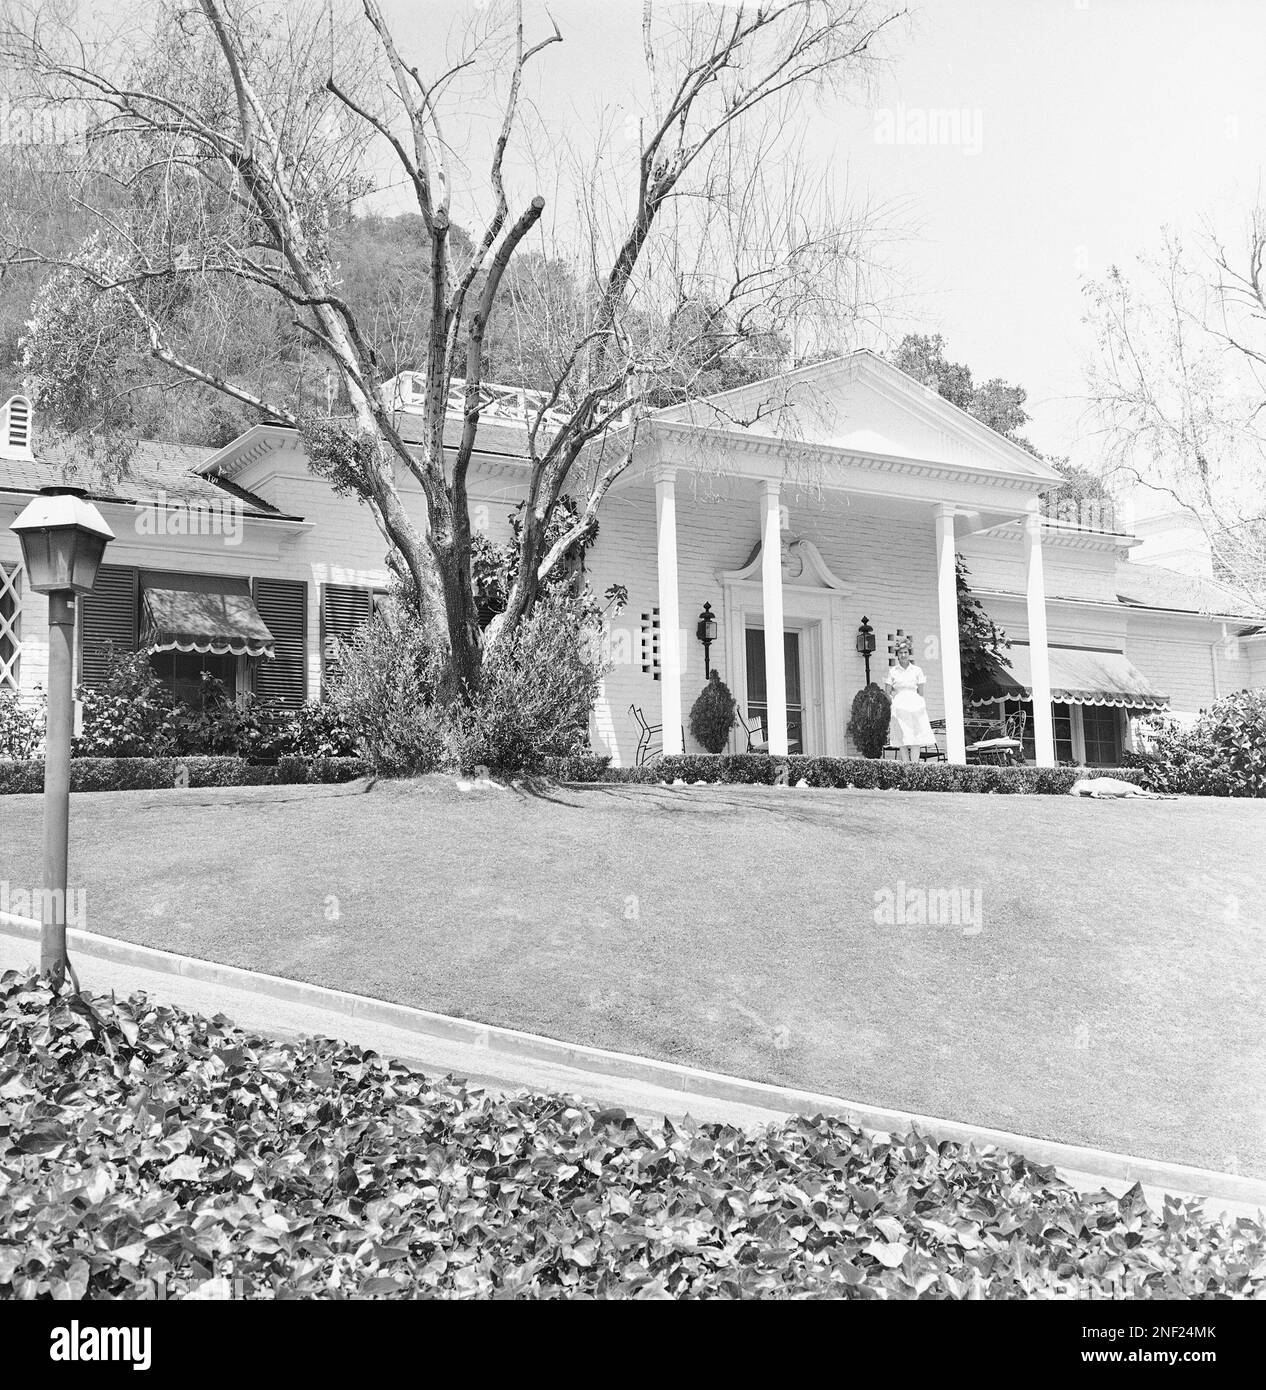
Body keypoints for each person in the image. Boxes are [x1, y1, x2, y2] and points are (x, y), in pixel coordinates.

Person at [884, 638, 934, 762]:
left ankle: (915, 765)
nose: (903, 655)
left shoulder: (917, 670)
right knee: (902, 737)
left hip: (914, 706)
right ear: (897, 655)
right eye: (900, 653)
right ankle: (906, 764)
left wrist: (920, 705)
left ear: (909, 653)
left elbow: (921, 692)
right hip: (899, 706)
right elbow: (887, 692)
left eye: (905, 652)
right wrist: (894, 704)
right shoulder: (893, 671)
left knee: (915, 736)